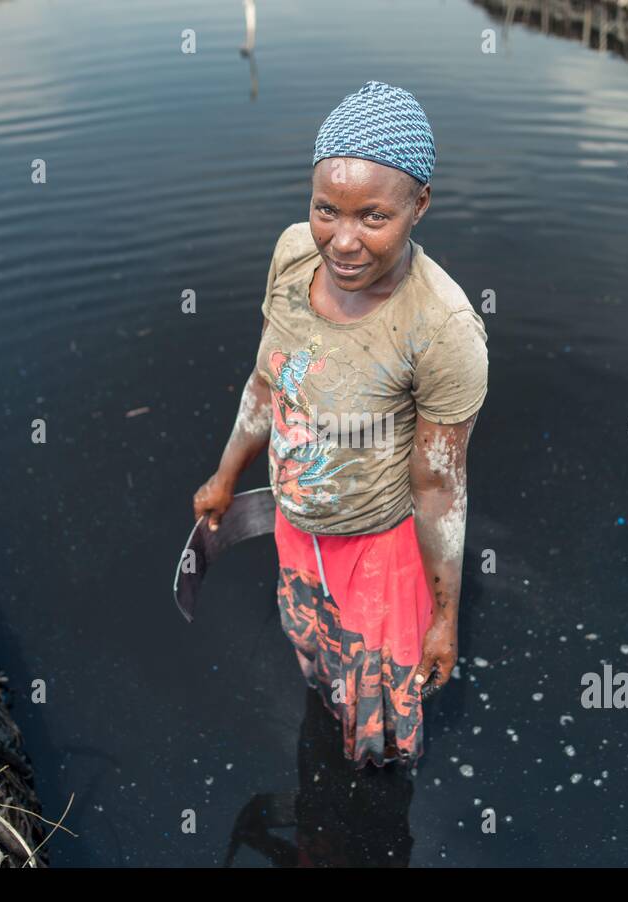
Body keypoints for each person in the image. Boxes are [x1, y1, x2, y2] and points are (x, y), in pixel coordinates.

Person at [192, 80, 488, 769]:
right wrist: (225, 473)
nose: (344, 241)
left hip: (379, 546)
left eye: (373, 217)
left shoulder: (441, 329)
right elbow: (269, 379)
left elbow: (440, 489)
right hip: (297, 525)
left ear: (420, 206)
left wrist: (446, 617)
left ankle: (377, 790)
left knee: (381, 705)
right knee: (319, 663)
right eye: (328, 208)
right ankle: (330, 731)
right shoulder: (295, 253)